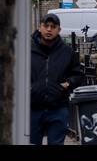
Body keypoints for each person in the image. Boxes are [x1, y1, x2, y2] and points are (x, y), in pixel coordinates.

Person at [31, 13, 85, 145]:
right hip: (32, 107)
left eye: (53, 26)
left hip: (58, 107)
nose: (49, 29)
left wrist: (66, 84)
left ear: (59, 30)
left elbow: (78, 75)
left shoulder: (67, 52)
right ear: (40, 28)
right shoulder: (27, 50)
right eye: (46, 26)